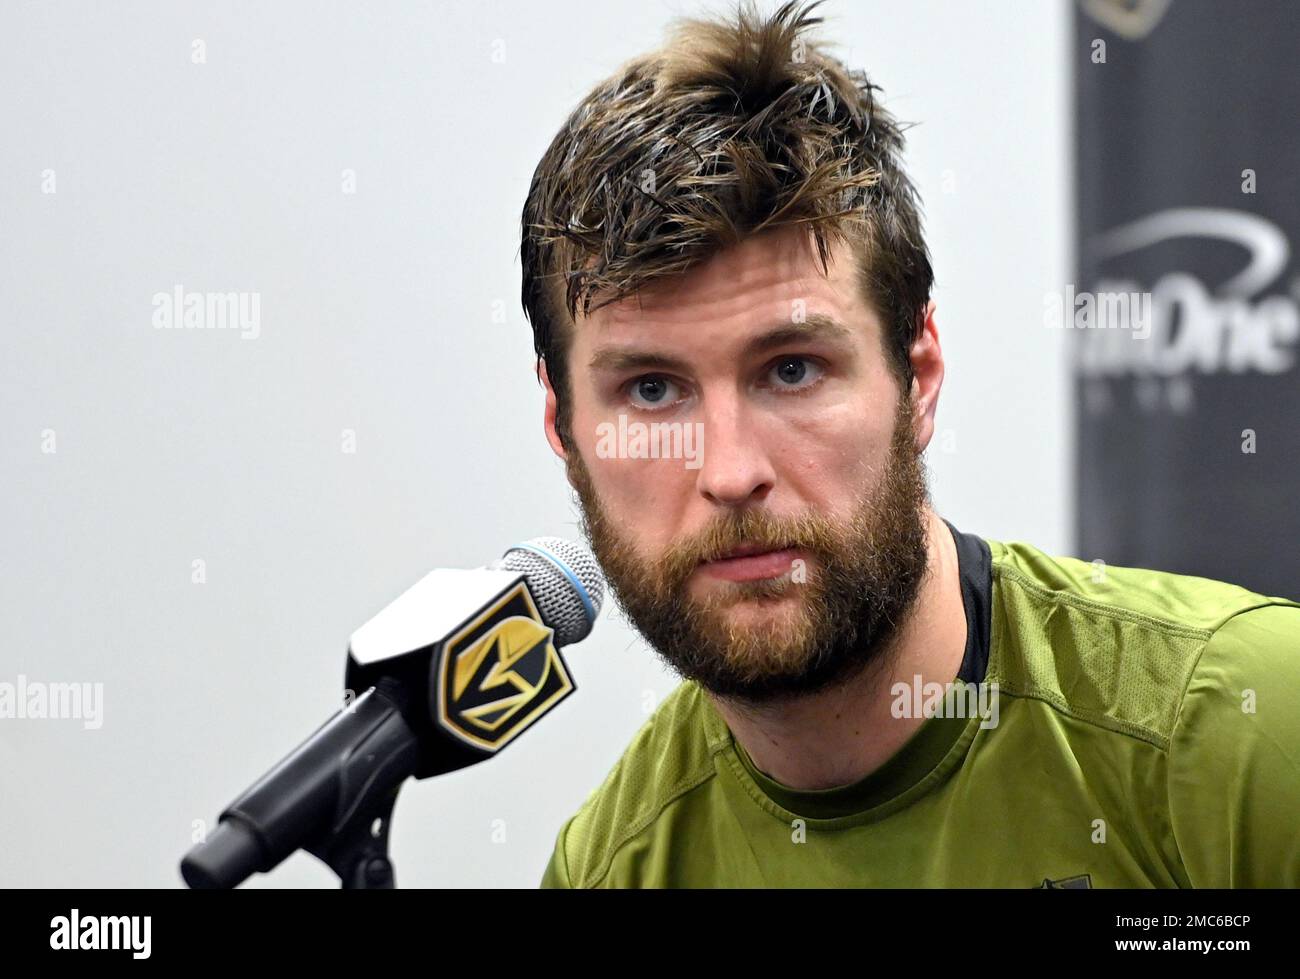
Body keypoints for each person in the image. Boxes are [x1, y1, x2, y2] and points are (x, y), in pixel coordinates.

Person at [519, 0, 1300, 887]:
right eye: (652, 391)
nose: (731, 472)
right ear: (563, 426)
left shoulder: (1244, 732)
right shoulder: (610, 869)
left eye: (792, 371)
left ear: (918, 374)